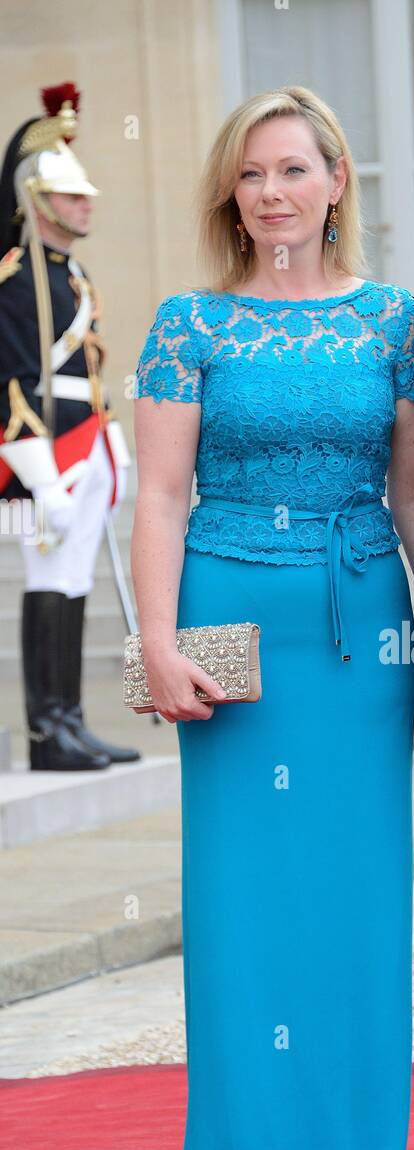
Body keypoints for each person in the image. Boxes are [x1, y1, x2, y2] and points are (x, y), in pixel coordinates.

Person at [132, 85, 414, 1150]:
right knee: (241, 894)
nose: (272, 194)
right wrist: (158, 641)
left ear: (336, 180)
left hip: (360, 623)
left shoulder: (392, 321)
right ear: (230, 191)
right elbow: (159, 495)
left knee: (354, 891)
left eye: (293, 170)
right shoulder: (187, 326)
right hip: (226, 620)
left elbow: (411, 491)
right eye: (252, 174)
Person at [0, 81, 139, 770]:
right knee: (46, 577)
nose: (86, 205)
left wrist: (109, 443)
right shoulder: (16, 276)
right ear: (39, 201)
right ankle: (44, 730)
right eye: (73, 196)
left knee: (74, 578)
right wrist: (39, 473)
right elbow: (14, 381)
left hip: (84, 448)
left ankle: (70, 720)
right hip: (40, 460)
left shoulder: (70, 272)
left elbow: (85, 369)